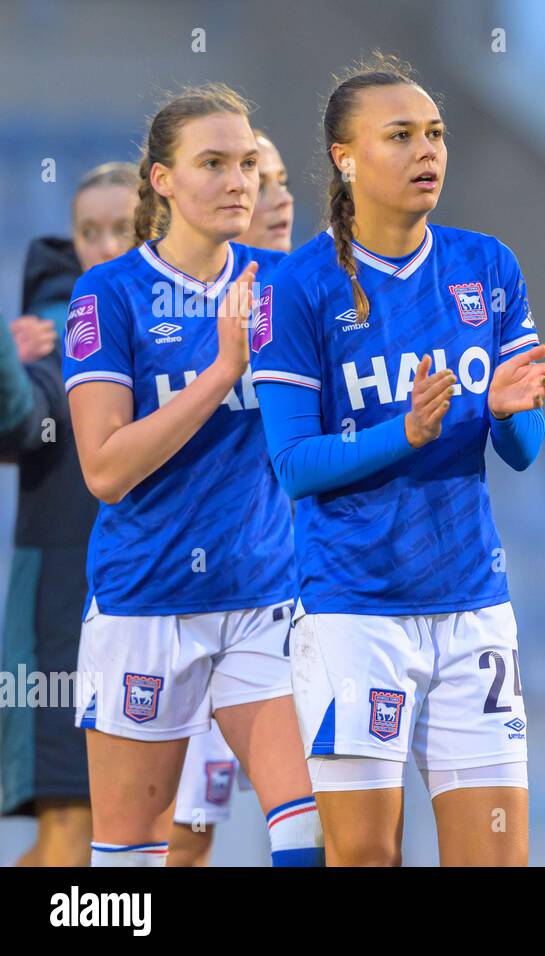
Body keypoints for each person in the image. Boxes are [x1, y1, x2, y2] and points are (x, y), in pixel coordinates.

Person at [249, 54, 545, 866]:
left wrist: (510, 409)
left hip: (472, 604)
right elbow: (294, 465)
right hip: (355, 608)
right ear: (345, 160)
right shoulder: (297, 287)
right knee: (366, 857)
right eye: (401, 136)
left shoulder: (486, 266)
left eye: (435, 134)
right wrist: (407, 435)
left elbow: (522, 454)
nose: (427, 151)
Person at [62, 84, 322, 867]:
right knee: (131, 862)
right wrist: (222, 370)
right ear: (163, 181)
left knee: (311, 830)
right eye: (212, 163)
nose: (240, 181)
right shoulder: (107, 296)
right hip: (147, 602)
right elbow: (105, 470)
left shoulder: (285, 282)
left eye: (247, 162)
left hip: (262, 600)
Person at [0, 162, 138, 866]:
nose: (106, 246)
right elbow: (19, 423)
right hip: (61, 619)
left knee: (168, 838)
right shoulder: (55, 336)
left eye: (124, 228)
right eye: (90, 232)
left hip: (167, 616)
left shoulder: (191, 331)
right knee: (71, 835)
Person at [168, 127, 297, 867]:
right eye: (253, 176)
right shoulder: (172, 313)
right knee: (183, 842)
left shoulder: (311, 301)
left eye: (277, 179)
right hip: (192, 607)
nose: (274, 199)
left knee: (328, 823)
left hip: (288, 607)